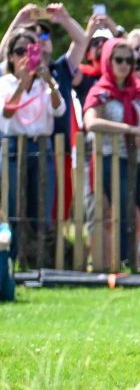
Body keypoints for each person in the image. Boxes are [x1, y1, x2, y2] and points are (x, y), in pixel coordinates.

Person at [82, 37, 140, 270]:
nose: (125, 65)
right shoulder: (100, 91)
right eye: (119, 59)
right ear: (108, 61)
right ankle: (125, 264)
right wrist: (128, 129)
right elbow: (90, 123)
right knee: (124, 213)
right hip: (111, 160)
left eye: (129, 60)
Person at [1, 24, 67, 267]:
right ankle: (13, 261)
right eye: (19, 51)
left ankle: (41, 262)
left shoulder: (44, 83)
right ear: (10, 56)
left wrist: (48, 80)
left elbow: (59, 109)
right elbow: (6, 114)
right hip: (12, 150)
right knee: (14, 210)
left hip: (42, 148)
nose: (24, 57)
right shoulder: (5, 83)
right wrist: (23, 82)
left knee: (41, 209)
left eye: (29, 51)